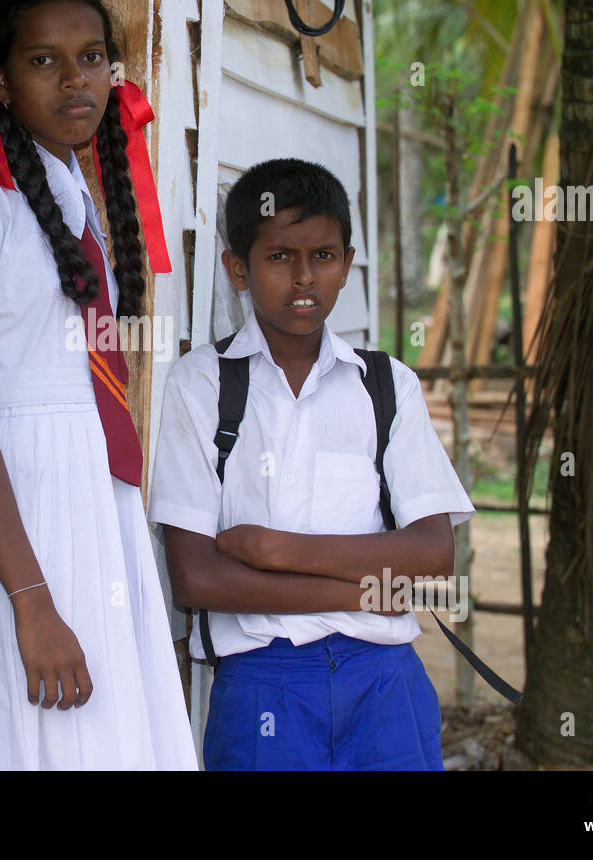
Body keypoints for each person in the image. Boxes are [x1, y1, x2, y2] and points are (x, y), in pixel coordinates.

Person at [0, 0, 197, 770]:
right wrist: (33, 605)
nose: (76, 79)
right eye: (44, 60)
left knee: (100, 739)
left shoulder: (75, 197)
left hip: (95, 500)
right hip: (19, 514)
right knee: (22, 734)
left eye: (93, 55)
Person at [148, 158, 475, 770]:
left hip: (384, 687)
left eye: (323, 256)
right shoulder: (203, 386)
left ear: (347, 265)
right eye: (279, 257)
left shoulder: (385, 385)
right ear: (237, 268)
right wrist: (366, 587)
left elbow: (432, 557)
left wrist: (276, 549)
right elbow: (198, 579)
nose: (304, 277)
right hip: (262, 688)